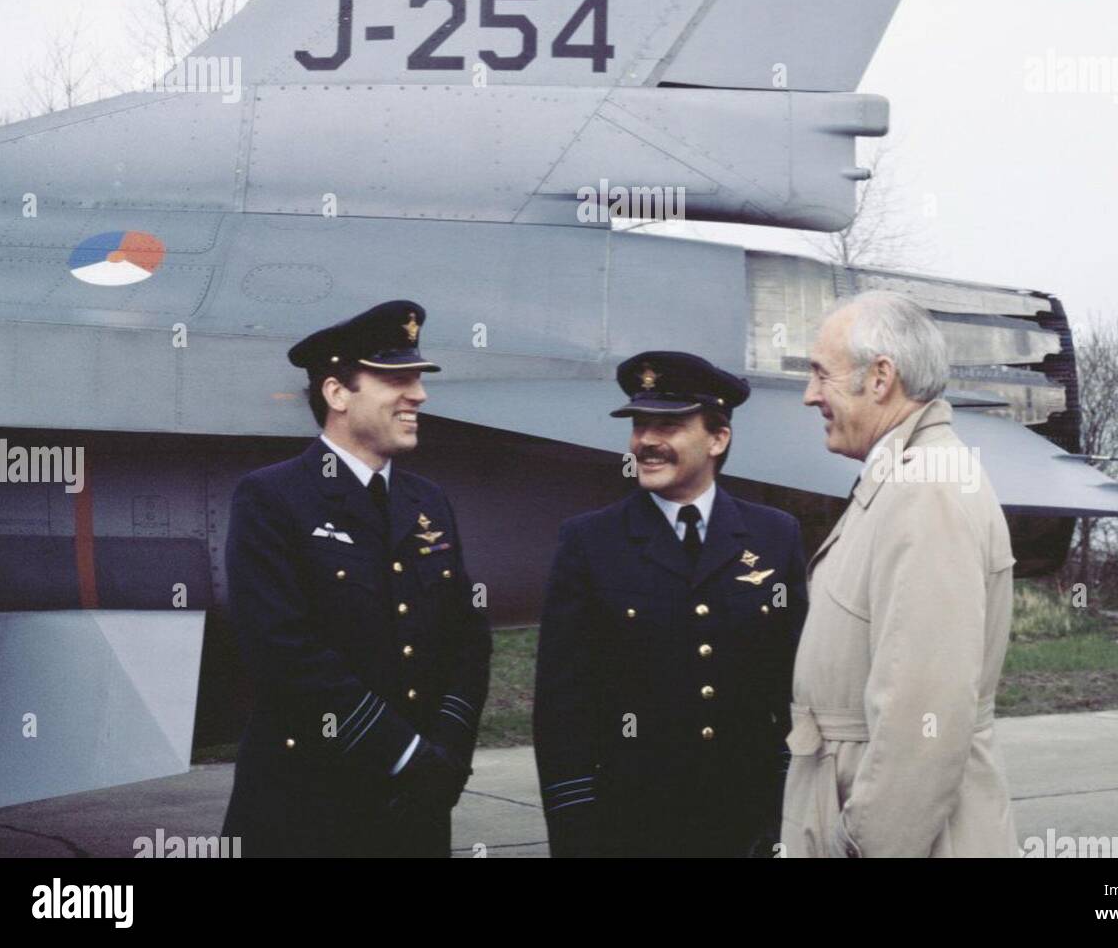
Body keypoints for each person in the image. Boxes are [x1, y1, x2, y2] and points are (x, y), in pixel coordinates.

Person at [221, 299, 490, 857]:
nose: (418, 394)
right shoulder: (273, 497)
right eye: (396, 378)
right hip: (304, 810)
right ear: (337, 393)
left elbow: (466, 639)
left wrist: (447, 756)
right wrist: (404, 753)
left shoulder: (428, 502)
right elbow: (282, 650)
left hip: (415, 811)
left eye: (416, 378)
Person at [534, 350, 806, 858]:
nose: (646, 442)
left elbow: (794, 684)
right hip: (631, 824)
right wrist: (576, 830)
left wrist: (791, 808)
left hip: (751, 822)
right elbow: (561, 706)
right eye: (639, 425)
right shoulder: (590, 542)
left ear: (718, 437)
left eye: (670, 426)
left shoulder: (775, 535)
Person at [781, 290, 1019, 858]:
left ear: (880, 378)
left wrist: (865, 844)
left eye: (821, 374)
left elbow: (924, 718)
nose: (810, 395)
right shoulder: (903, 477)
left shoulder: (925, 491)